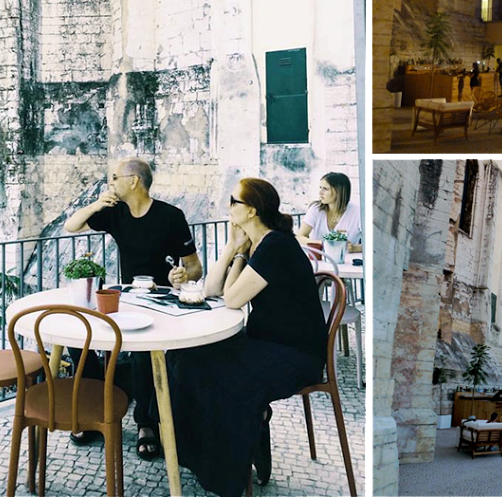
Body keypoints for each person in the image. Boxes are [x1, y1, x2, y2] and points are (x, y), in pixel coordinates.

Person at [165, 177, 321, 497]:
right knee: (182, 358)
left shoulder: (276, 245)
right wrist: (235, 249)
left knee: (213, 373)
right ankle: (204, 453)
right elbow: (214, 290)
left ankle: (232, 466)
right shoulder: (259, 244)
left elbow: (233, 299)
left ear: (251, 210)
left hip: (295, 354)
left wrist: (237, 251)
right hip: (266, 343)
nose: (228, 207)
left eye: (233, 202)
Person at [62, 158, 203, 459]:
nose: (111, 182)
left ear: (134, 181)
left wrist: (182, 276)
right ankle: (91, 411)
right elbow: (70, 226)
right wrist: (97, 204)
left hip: (160, 299)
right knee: (79, 335)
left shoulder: (171, 216)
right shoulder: (116, 213)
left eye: (115, 178)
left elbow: (195, 267)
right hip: (126, 296)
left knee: (141, 350)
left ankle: (146, 423)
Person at [296, 172, 362, 262]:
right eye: (320, 188)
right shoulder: (316, 209)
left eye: (325, 189)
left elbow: (375, 244)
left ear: (338, 191)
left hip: (347, 266)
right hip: (318, 264)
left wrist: (355, 248)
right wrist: (325, 244)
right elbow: (299, 237)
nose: (320, 193)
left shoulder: (358, 212)